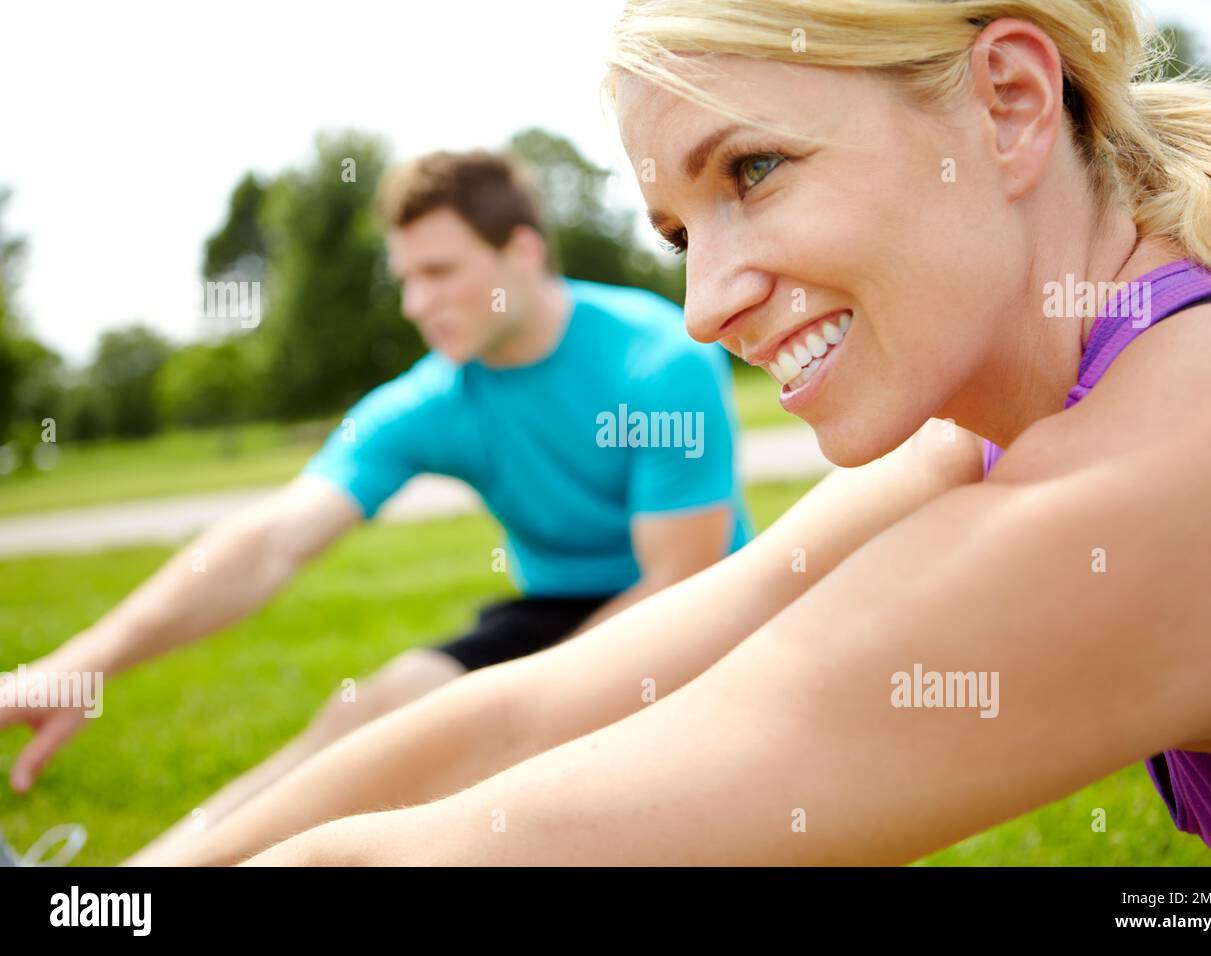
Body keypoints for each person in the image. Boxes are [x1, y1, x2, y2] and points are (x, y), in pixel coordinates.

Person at [153, 0, 1211, 867]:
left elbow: (499, 847)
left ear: (1006, 103)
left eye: (752, 169)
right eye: (675, 232)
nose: (704, 307)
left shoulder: (1187, 448)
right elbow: (526, 713)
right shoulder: (1006, 422)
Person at [0, 149, 752, 864]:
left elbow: (672, 584)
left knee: (465, 754)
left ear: (520, 254)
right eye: (405, 279)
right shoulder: (436, 395)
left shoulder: (658, 358)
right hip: (556, 607)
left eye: (439, 272)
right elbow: (272, 541)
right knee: (376, 713)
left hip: (704, 611)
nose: (416, 304)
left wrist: (492, 716)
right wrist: (79, 668)